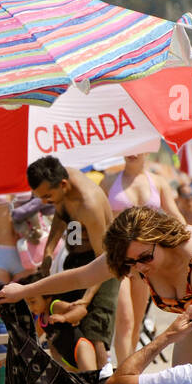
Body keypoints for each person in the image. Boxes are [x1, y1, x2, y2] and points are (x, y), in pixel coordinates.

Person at [0, 206, 192, 364]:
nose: (140, 268)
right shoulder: (132, 253)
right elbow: (82, 276)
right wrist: (24, 291)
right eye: (131, 264)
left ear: (161, 238)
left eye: (145, 257)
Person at [24, 156, 118, 372]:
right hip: (74, 261)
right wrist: (48, 251)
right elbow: (61, 214)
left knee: (95, 330)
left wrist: (86, 299)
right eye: (42, 198)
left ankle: (103, 379)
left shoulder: (89, 204)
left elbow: (103, 260)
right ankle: (70, 376)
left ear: (63, 186)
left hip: (105, 264)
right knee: (59, 324)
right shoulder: (60, 184)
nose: (46, 202)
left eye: (48, 196)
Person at [101, 154, 185, 363]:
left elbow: (176, 218)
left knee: (137, 322)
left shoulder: (158, 182)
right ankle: (123, 373)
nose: (134, 152)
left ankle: (130, 372)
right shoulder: (109, 181)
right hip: (118, 258)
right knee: (125, 320)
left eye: (139, 148)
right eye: (130, 147)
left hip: (145, 261)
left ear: (147, 150)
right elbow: (98, 219)